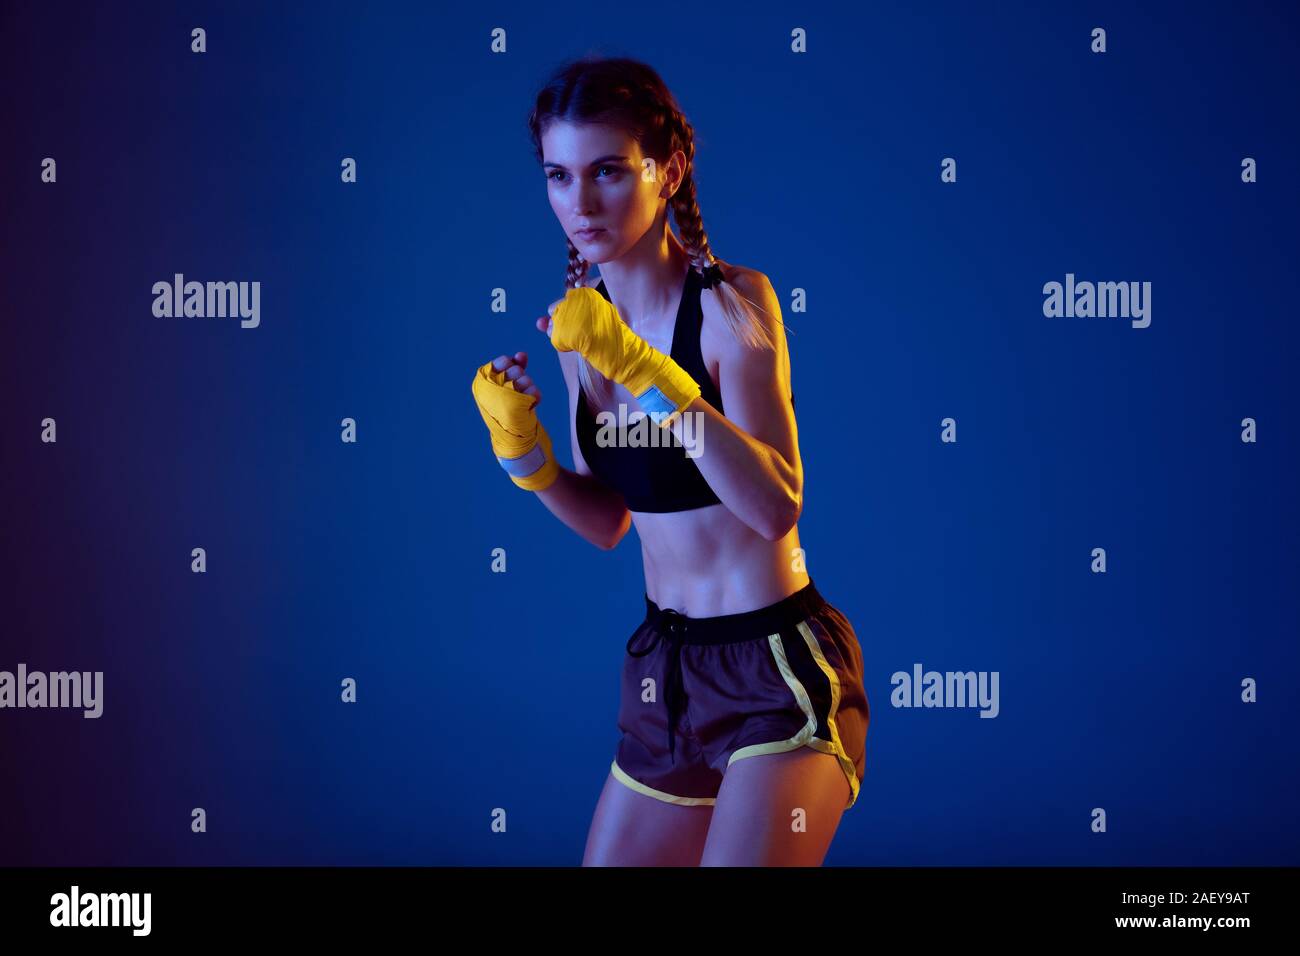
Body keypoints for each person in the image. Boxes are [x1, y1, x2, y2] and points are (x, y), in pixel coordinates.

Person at [471, 57, 869, 866]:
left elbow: (774, 505)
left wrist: (651, 376)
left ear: (669, 171)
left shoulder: (731, 305)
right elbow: (612, 521)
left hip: (775, 668)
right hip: (665, 672)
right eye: (558, 175)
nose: (580, 203)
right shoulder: (582, 335)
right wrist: (526, 458)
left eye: (609, 172)